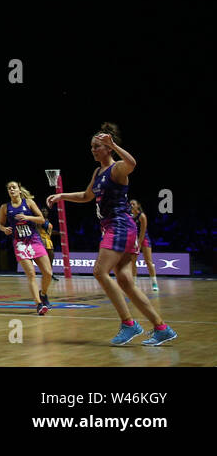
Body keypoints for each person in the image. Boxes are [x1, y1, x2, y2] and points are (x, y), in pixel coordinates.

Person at [47, 125, 175, 345]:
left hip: (120, 226)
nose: (93, 150)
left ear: (108, 148)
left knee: (99, 271)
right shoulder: (97, 173)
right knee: (126, 281)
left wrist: (114, 144)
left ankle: (128, 323)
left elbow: (133, 164)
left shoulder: (117, 169)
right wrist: (62, 196)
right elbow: (87, 195)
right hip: (112, 228)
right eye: (91, 147)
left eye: (97, 146)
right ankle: (161, 328)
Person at [0, 180, 53, 314]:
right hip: (20, 244)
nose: (11, 190)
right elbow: (0, 224)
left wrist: (27, 217)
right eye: (9, 188)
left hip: (35, 241)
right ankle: (39, 304)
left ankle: (43, 293)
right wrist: (4, 229)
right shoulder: (5, 207)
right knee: (31, 274)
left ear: (19, 189)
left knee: (48, 273)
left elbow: (41, 219)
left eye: (13, 187)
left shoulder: (28, 203)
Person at [129, 199, 160, 292]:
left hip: (144, 240)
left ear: (138, 205)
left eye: (133, 204)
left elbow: (142, 231)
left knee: (148, 262)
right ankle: (133, 283)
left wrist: (139, 243)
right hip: (134, 240)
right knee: (132, 262)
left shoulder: (142, 216)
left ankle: (154, 283)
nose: (131, 205)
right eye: (130, 204)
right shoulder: (129, 217)